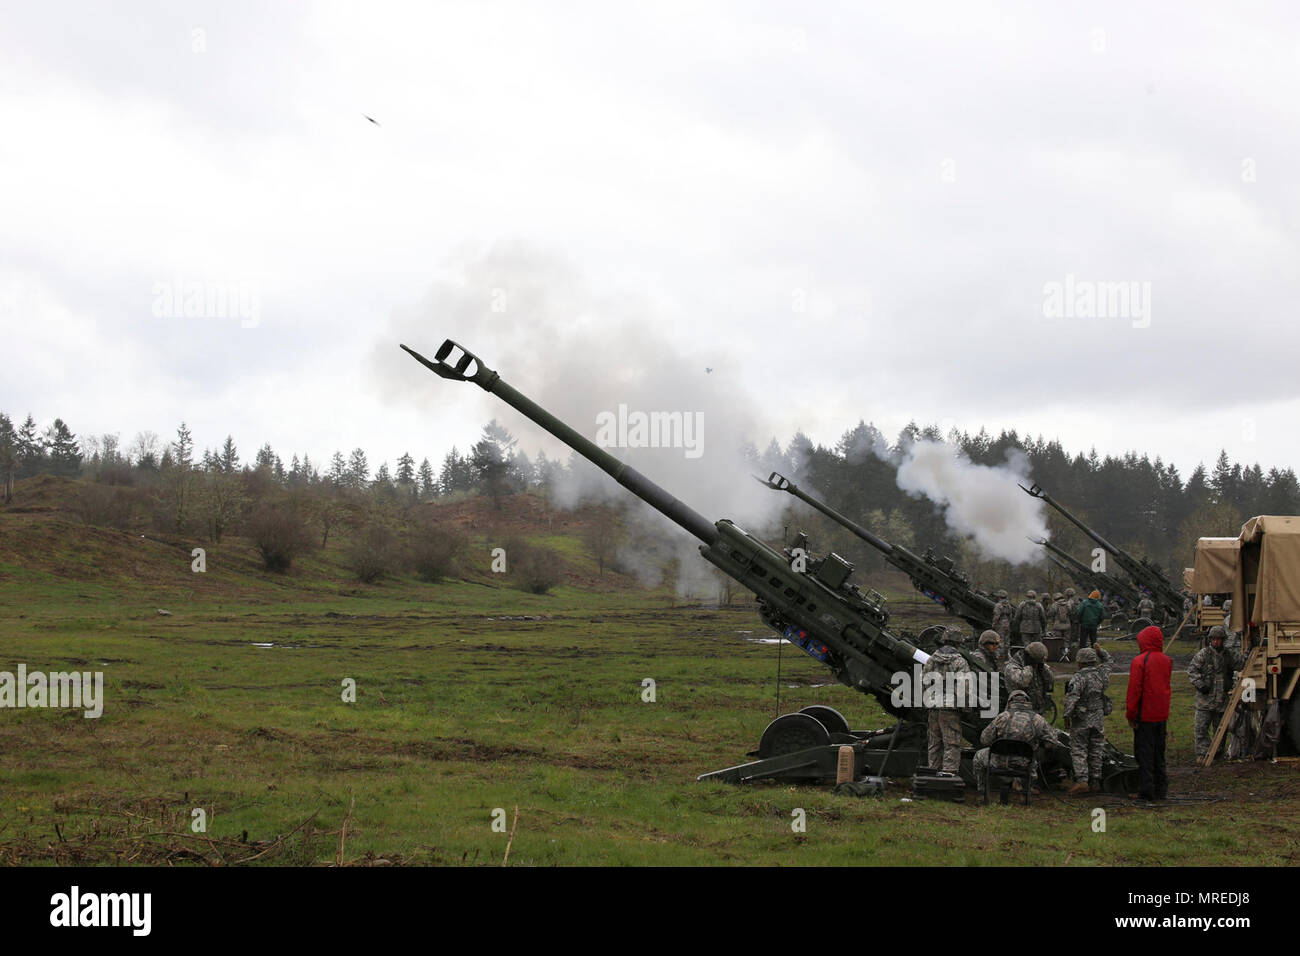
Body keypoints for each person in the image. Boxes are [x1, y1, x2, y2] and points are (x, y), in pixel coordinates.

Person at [972, 690, 1060, 795]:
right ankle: (1025, 787)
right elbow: (1053, 743)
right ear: (1028, 702)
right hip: (1024, 764)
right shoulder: (1038, 720)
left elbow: (984, 740)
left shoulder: (1002, 717)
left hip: (999, 761)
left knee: (978, 756)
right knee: (1036, 755)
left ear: (1010, 702)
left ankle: (982, 790)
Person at [1126, 625, 1172, 801]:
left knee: (1144, 754)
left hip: (1145, 715)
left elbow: (1135, 691)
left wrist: (1131, 714)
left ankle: (1146, 791)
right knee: (1159, 753)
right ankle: (1161, 789)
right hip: (1161, 714)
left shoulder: (1140, 661)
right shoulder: (1166, 660)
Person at [1187, 626, 1246, 761]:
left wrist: (1249, 650)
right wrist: (1200, 685)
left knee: (1220, 729)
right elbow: (1192, 670)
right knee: (1201, 727)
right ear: (1210, 640)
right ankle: (1202, 753)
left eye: (1219, 639)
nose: (1217, 642)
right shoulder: (1203, 654)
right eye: (1214, 639)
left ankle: (1217, 752)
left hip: (1221, 700)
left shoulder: (1228, 655)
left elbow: (1241, 663)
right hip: (1205, 699)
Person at [921, 628, 971, 774]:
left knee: (934, 742)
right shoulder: (960, 662)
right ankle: (948, 776)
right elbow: (964, 688)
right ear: (958, 643)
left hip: (933, 706)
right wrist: (964, 707)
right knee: (952, 743)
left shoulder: (931, 660)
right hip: (950, 708)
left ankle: (932, 773)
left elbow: (924, 681)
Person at [1064, 646, 1112, 793]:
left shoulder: (1079, 677)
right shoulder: (1102, 674)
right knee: (1097, 748)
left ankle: (1082, 780)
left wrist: (1067, 715)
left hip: (1082, 718)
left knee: (1079, 748)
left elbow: (1072, 697)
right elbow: (1109, 661)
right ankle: (1096, 780)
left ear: (1080, 662)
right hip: (1098, 716)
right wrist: (1101, 651)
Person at [1003, 641, 1054, 717]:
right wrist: (1029, 666)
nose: (1037, 665)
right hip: (1018, 714)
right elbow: (1023, 682)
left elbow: (1050, 680)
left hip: (1036, 711)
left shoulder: (1037, 664)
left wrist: (1043, 668)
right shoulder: (1012, 667)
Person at [1049, 591, 1072, 656]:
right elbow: (1070, 613)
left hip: (1057, 626)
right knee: (1067, 640)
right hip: (1067, 625)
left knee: (1058, 640)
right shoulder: (1068, 604)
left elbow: (1050, 614)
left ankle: (1058, 655)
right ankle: (1066, 654)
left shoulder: (1054, 605)